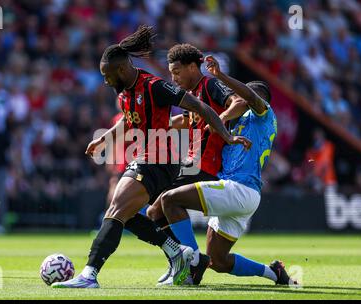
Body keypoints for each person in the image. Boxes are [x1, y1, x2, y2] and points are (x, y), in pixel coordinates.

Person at [51, 26, 251, 289]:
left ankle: (90, 274)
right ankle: (178, 253)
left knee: (116, 210)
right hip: (146, 157)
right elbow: (128, 120)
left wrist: (226, 135)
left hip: (161, 159)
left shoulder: (155, 86)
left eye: (107, 75)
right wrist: (104, 139)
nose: (105, 81)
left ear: (121, 70)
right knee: (125, 213)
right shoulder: (124, 94)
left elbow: (201, 107)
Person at [159, 55, 296, 286]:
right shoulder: (233, 123)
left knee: (170, 201)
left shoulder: (264, 116)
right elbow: (190, 118)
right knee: (217, 261)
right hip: (242, 194)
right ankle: (274, 273)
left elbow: (250, 97)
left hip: (238, 188)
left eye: (244, 97)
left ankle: (191, 264)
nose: (239, 101)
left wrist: (220, 76)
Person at [129, 43, 249, 286]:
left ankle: (190, 261)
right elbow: (185, 120)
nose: (173, 78)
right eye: (171, 73)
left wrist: (220, 120)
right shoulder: (192, 96)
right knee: (154, 212)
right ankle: (182, 261)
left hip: (206, 165)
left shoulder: (210, 85)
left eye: (177, 72)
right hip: (192, 163)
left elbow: (239, 102)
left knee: (155, 209)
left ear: (194, 67)